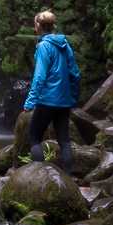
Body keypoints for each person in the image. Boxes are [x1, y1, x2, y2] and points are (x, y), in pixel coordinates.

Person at [24, 9, 81, 176]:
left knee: (34, 139)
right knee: (64, 140)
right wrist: (73, 102)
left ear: (38, 26)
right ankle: (68, 178)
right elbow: (75, 75)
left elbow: (40, 77)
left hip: (46, 101)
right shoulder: (65, 45)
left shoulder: (43, 46)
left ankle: (42, 177)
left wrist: (30, 102)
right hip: (64, 102)